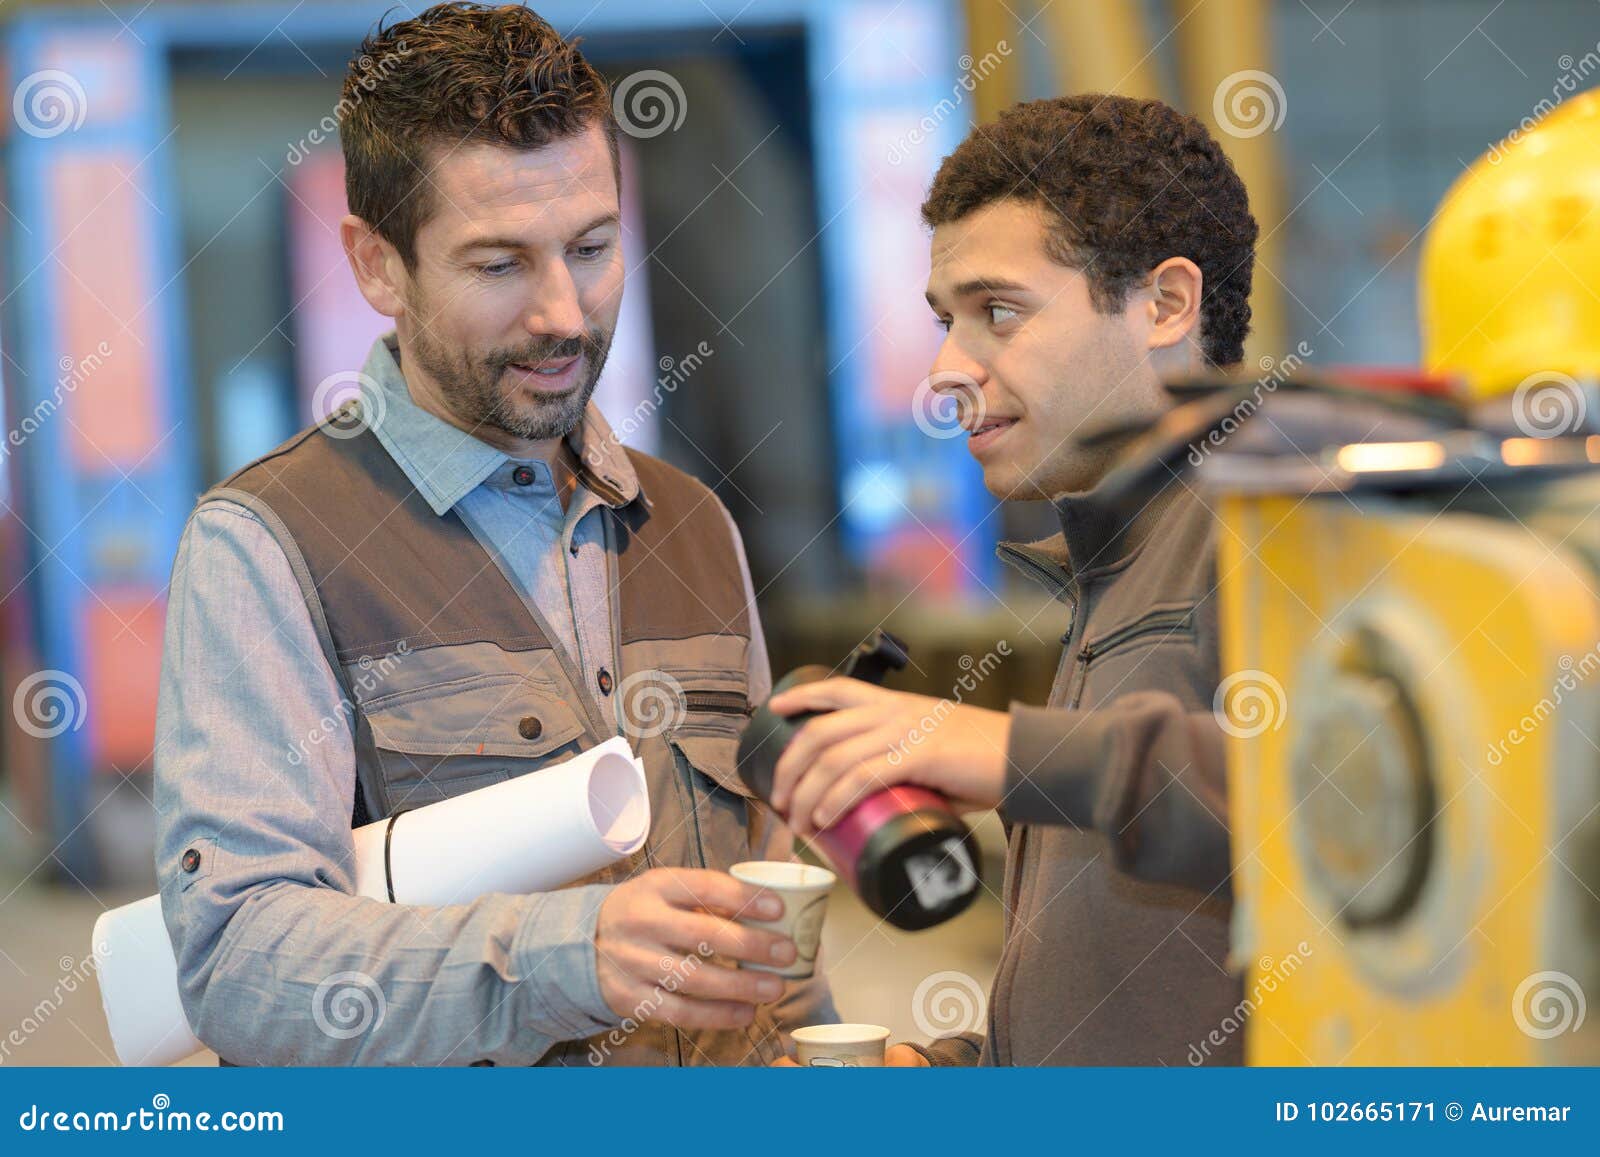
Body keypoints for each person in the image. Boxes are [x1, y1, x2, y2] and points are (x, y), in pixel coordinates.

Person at [154, 1, 833, 1067]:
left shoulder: (694, 524)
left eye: (592, 247)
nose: (563, 311)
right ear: (377, 265)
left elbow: (769, 911)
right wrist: (569, 955)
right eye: (499, 264)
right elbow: (238, 960)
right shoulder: (265, 546)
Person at [769, 94, 1257, 1066]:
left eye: (999, 311)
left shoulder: (1283, 528)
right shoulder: (1111, 568)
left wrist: (1005, 752)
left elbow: (1352, 802)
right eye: (946, 321)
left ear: (1165, 304)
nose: (947, 370)